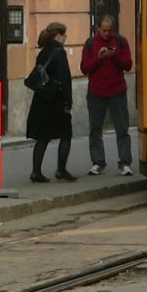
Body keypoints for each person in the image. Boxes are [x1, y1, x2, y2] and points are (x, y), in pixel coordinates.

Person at [81, 13, 133, 176]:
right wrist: (100, 58)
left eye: (109, 30)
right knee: (95, 128)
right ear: (98, 28)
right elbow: (84, 68)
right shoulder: (90, 44)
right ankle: (98, 162)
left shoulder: (120, 42)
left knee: (122, 128)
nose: (106, 34)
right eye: (103, 30)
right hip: (96, 91)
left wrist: (114, 55)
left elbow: (128, 65)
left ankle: (124, 163)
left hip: (117, 90)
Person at [27, 22, 77, 182]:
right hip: (57, 100)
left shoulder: (43, 52)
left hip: (42, 99)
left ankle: (36, 171)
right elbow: (65, 79)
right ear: (58, 36)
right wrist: (68, 102)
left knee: (43, 137)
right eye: (64, 35)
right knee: (66, 135)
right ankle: (61, 169)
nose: (66, 38)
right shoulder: (59, 52)